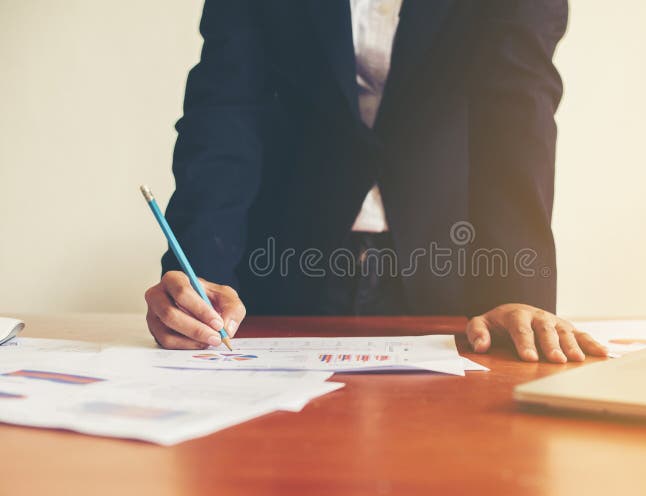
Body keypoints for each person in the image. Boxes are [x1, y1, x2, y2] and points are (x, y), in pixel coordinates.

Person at [144, 0, 608, 363]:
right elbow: (226, 106)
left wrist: (516, 291)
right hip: (278, 261)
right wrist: (200, 271)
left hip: (453, 262)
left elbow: (519, 101)